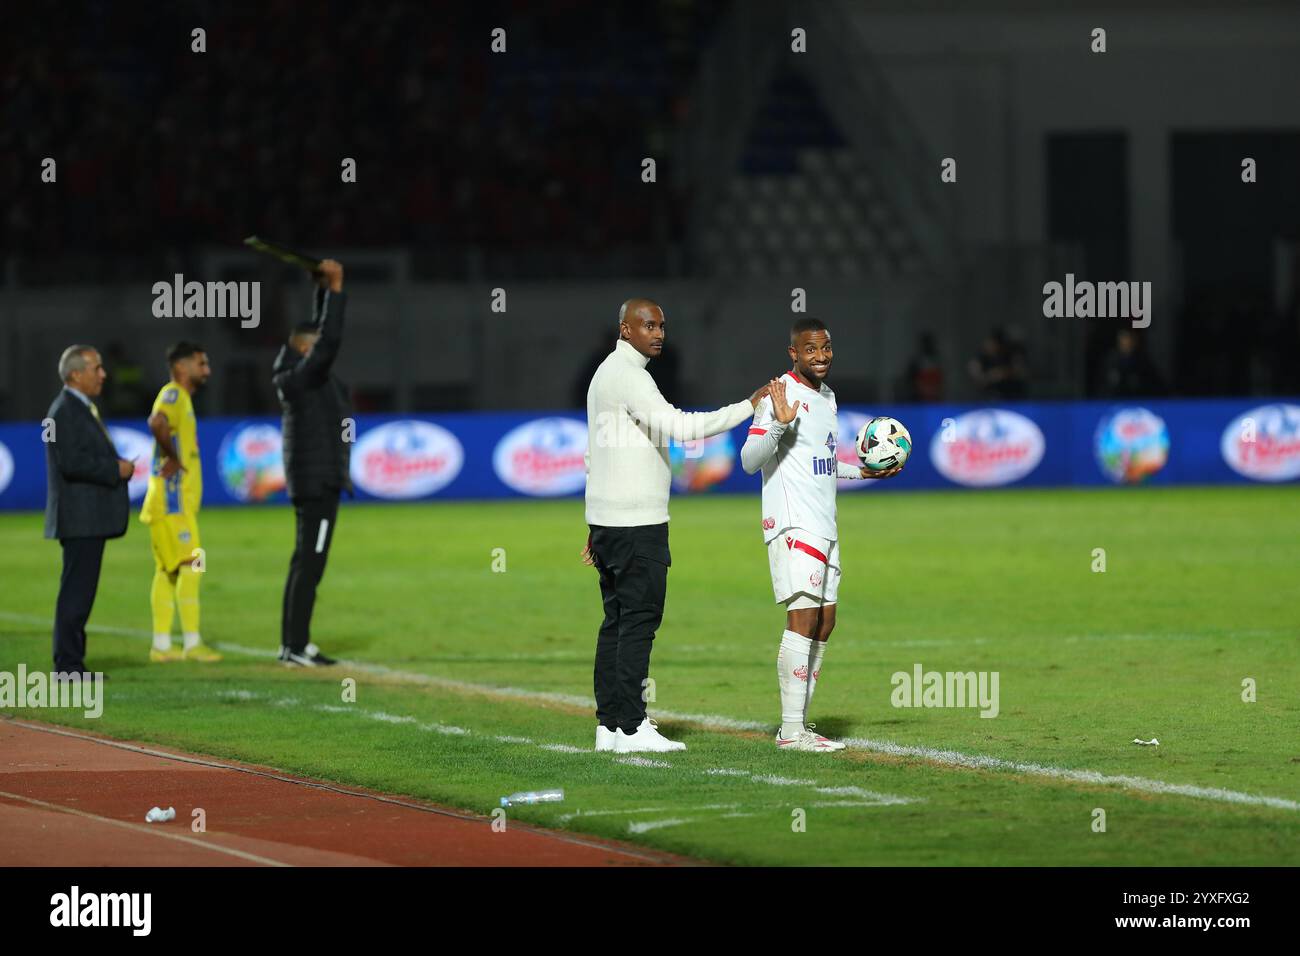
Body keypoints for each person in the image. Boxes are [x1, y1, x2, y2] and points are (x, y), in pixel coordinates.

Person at [581, 298, 769, 754]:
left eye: (662, 325)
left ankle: (609, 726)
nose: (658, 332)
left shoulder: (604, 374)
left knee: (617, 623)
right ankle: (631, 726)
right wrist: (748, 406)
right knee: (639, 622)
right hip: (636, 523)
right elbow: (683, 429)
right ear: (625, 329)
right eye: (648, 325)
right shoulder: (631, 377)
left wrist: (594, 523)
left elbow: (594, 453)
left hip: (609, 520)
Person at [741, 318, 903, 752]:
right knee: (803, 620)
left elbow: (824, 466)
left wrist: (863, 471)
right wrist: (777, 424)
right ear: (793, 353)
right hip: (793, 523)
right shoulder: (781, 395)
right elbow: (748, 460)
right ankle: (791, 732)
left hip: (824, 523)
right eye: (811, 350)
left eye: (826, 348)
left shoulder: (827, 398)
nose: (821, 356)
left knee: (825, 623)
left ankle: (799, 725)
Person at [272, 259, 351, 667]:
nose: (323, 351)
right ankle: (295, 646)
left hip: (316, 479)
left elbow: (322, 338)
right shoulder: (302, 377)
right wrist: (336, 290)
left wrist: (320, 292)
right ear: (305, 349)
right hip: (316, 482)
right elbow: (329, 340)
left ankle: (294, 644)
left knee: (305, 562)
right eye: (315, 346)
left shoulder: (298, 375)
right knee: (310, 564)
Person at [44, 345, 133, 677]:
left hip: (85, 518)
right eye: (96, 368)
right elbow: (69, 462)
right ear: (75, 374)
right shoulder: (64, 410)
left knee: (79, 592)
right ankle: (67, 665)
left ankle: (71, 662)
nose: (103, 374)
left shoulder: (76, 407)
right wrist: (115, 469)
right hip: (80, 517)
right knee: (76, 594)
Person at [141, 341, 220, 662]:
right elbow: (156, 422)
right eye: (201, 364)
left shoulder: (182, 398)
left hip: (169, 505)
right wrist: (173, 456)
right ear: (182, 367)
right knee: (194, 564)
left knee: (167, 572)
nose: (207, 370)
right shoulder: (173, 394)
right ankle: (192, 642)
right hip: (173, 505)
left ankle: (161, 646)